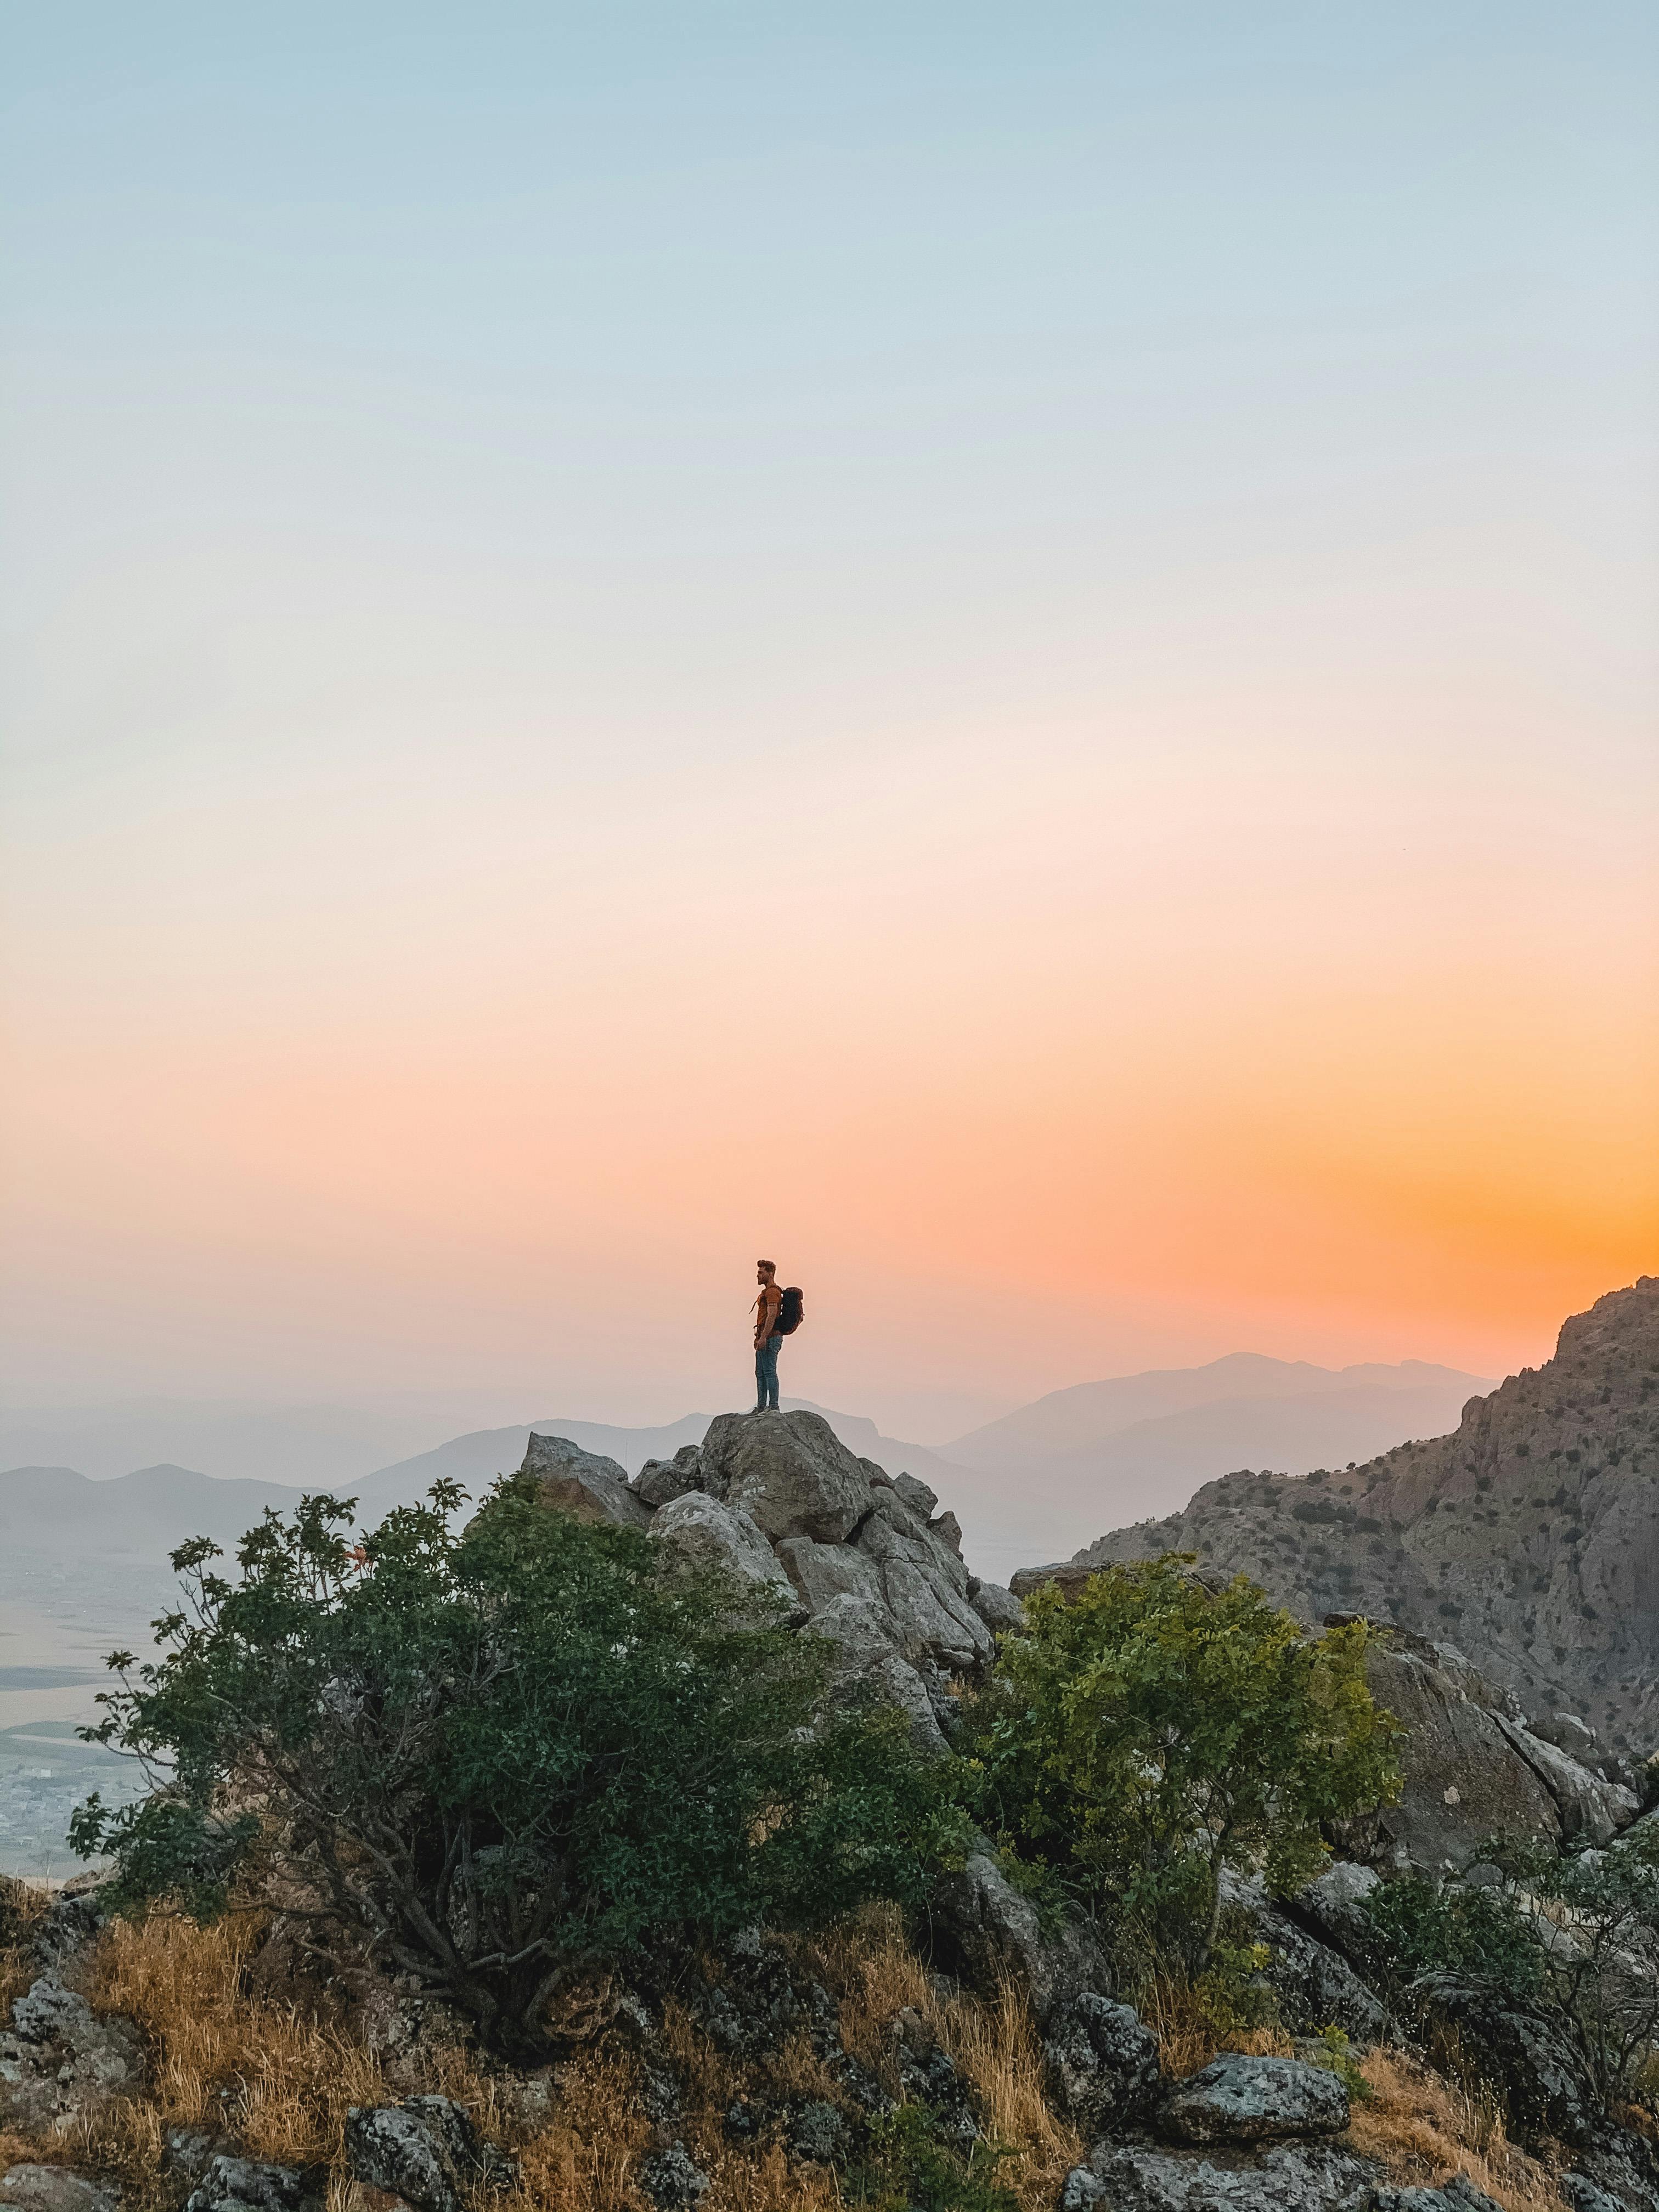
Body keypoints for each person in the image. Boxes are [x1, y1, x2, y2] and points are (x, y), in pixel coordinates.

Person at [752, 1259, 782, 1413]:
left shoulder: (772, 1292)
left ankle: (774, 1406)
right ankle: (762, 1406)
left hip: (771, 1338)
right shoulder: (768, 1292)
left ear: (770, 1274)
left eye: (761, 1272)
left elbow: (772, 1316)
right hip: (764, 1337)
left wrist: (764, 1337)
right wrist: (759, 1337)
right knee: (760, 1373)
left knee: (769, 1371)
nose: (758, 1275)